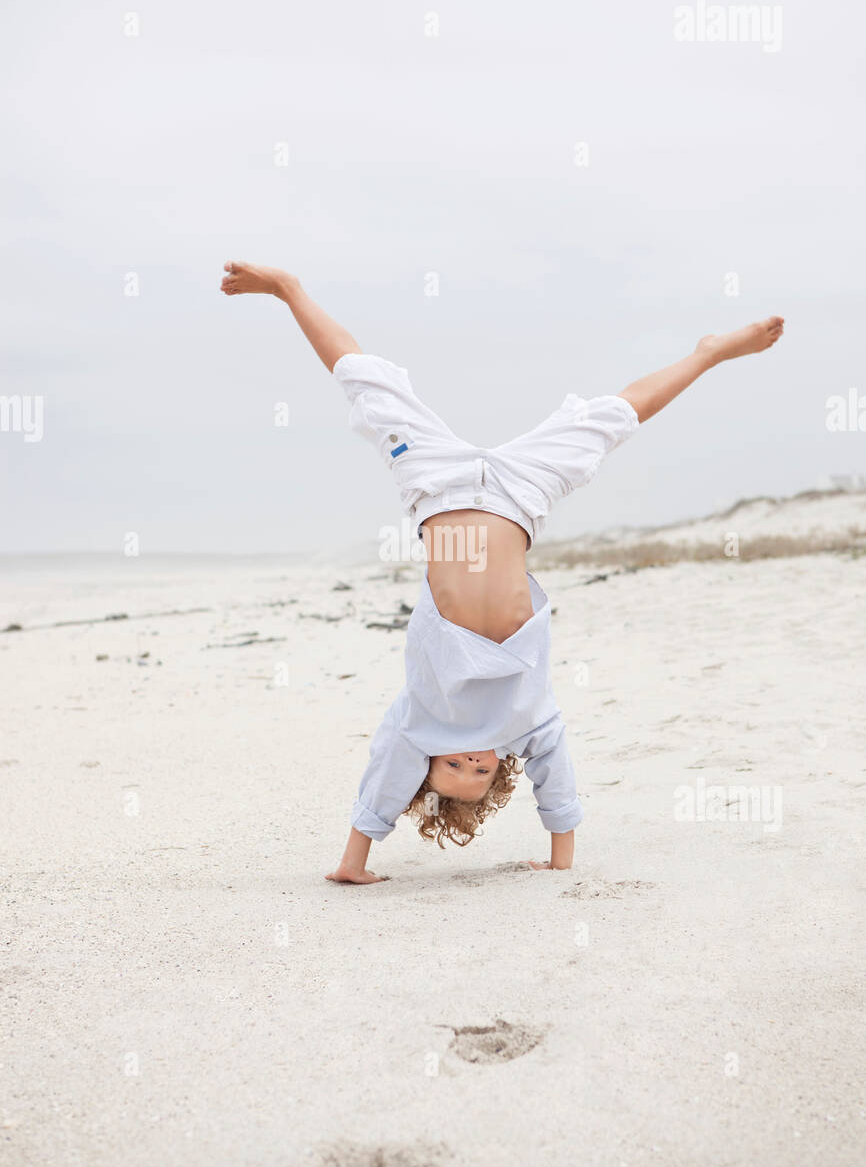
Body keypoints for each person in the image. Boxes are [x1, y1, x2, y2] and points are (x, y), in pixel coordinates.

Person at [220, 260, 784, 883]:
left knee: (366, 383)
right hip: (519, 494)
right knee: (611, 419)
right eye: (480, 772)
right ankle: (707, 353)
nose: (469, 764)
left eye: (451, 770)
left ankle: (290, 288)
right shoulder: (529, 723)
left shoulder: (417, 725)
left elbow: (380, 786)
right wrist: (559, 859)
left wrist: (354, 864)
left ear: (426, 764)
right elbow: (560, 788)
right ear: (500, 768)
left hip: (436, 486)